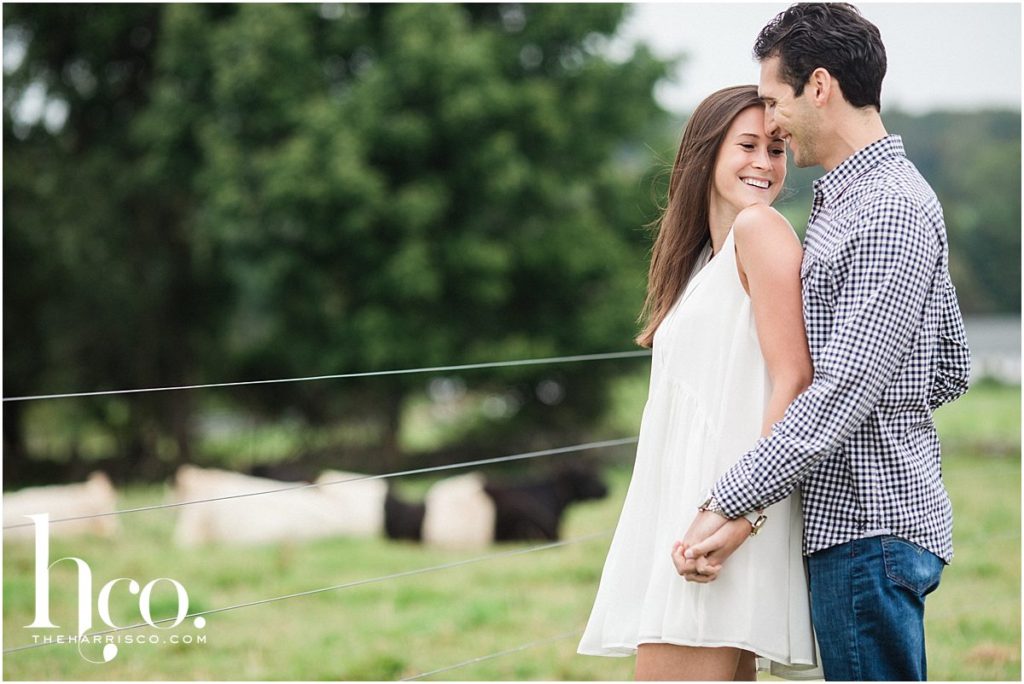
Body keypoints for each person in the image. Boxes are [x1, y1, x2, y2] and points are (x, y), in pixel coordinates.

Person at [675, 4, 972, 681]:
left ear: (819, 85)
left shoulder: (889, 207)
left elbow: (841, 389)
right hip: (853, 526)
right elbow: (950, 365)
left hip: (869, 524)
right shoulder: (849, 199)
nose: (772, 121)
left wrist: (730, 498)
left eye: (775, 101)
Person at [577, 84, 820, 681]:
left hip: (719, 514)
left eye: (777, 147)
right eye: (748, 146)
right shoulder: (701, 264)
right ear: (706, 153)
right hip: (693, 513)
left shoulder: (760, 231)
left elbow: (794, 378)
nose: (764, 163)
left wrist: (741, 514)